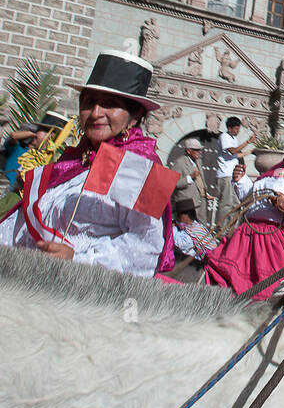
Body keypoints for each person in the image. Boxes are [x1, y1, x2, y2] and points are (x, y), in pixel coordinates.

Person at [0, 50, 175, 276]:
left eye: (110, 104)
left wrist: (78, 260)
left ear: (135, 115)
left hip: (81, 295)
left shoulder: (143, 166)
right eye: (89, 102)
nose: (95, 113)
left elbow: (146, 248)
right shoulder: (73, 159)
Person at [205, 116, 284, 299]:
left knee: (266, 296)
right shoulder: (276, 170)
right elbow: (253, 202)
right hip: (245, 241)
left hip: (278, 246)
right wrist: (241, 181)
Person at [171, 138, 209, 224]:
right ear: (188, 151)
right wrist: (190, 177)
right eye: (196, 150)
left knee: (202, 227)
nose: (199, 152)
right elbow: (174, 183)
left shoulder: (198, 161)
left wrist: (205, 191)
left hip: (200, 200)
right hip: (187, 203)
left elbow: (200, 180)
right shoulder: (180, 163)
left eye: (200, 150)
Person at [215, 118, 246, 225]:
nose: (238, 131)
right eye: (236, 129)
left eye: (239, 129)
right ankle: (221, 229)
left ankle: (230, 229)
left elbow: (235, 155)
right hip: (225, 175)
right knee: (226, 204)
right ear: (229, 128)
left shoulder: (233, 138)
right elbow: (232, 150)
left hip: (232, 176)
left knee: (236, 205)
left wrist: (249, 152)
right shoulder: (224, 136)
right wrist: (248, 142)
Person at [172, 194, 219, 261]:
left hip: (206, 261)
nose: (177, 219)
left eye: (179, 216)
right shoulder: (196, 226)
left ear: (185, 216)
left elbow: (180, 244)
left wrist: (173, 228)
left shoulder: (193, 231)